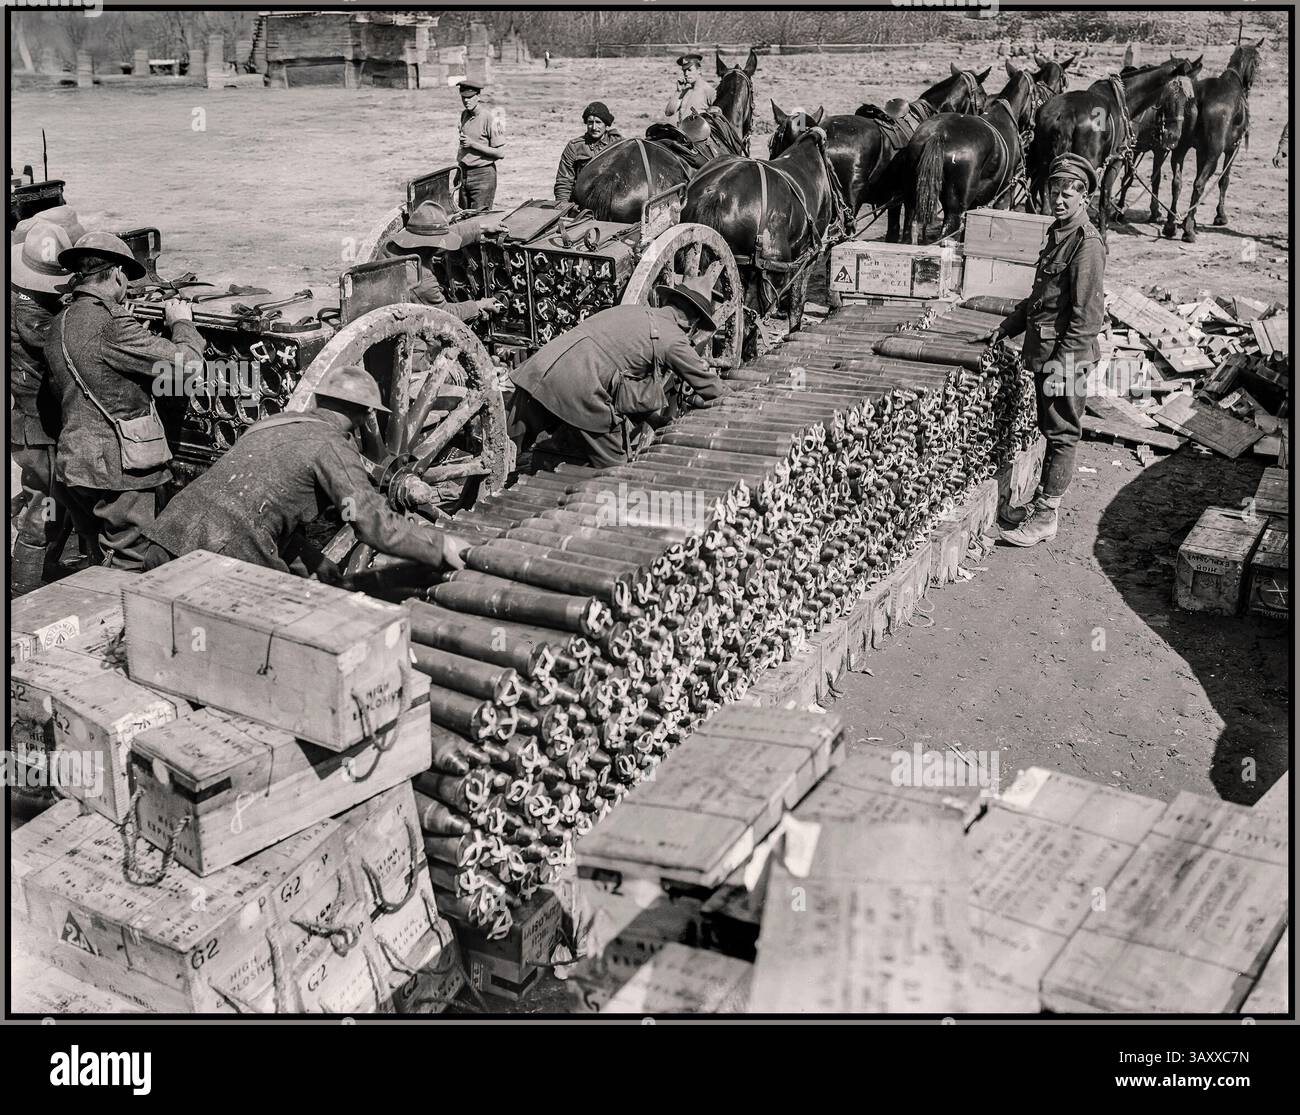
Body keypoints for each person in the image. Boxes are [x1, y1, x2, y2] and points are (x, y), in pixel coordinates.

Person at [140, 364, 471, 579]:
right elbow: (374, 525)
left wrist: (317, 564)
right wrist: (438, 546)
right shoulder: (332, 445)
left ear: (320, 398)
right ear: (365, 415)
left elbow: (260, 510)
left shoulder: (270, 424)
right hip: (219, 561)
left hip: (166, 538)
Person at [43, 231, 205, 571]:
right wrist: (182, 324)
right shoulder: (113, 326)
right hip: (118, 471)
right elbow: (187, 365)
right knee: (131, 561)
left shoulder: (60, 321)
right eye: (126, 281)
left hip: (76, 466)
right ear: (117, 273)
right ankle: (122, 622)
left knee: (97, 552)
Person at [980, 152, 1105, 547]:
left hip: (1064, 358)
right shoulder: (1057, 233)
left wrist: (1061, 366)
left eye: (1069, 193)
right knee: (1049, 429)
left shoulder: (1086, 245)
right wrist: (1007, 326)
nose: (1060, 199)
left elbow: (1087, 318)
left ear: (1085, 197)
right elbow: (1040, 298)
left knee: (1063, 433)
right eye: (1055, 191)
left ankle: (1047, 516)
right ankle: (1038, 506)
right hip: (1045, 351)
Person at [507, 280, 726, 469]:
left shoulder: (631, 311)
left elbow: (622, 379)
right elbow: (712, 389)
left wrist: (655, 420)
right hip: (582, 388)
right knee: (615, 472)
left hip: (539, 370)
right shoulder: (673, 339)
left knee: (502, 450)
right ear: (692, 321)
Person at [9, 217, 92, 593]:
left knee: (49, 503)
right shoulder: (34, 317)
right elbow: (63, 346)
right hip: (39, 432)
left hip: (27, 428)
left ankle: (37, 574)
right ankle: (24, 589)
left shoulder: (17, 298)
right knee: (49, 509)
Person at [385, 201, 504, 323]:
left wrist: (481, 228)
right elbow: (442, 314)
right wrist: (479, 305)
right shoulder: (421, 278)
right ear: (431, 246)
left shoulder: (392, 246)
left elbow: (441, 235)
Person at [554, 102, 621, 203]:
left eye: (598, 122)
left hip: (613, 203)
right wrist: (562, 206)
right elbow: (564, 182)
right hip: (582, 202)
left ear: (606, 124)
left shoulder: (618, 144)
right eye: (590, 122)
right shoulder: (575, 146)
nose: (594, 127)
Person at [456, 79, 504, 212]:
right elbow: (463, 147)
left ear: (478, 96)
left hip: (483, 176)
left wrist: (473, 144)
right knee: (463, 218)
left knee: (480, 222)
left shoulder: (491, 118)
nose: (466, 101)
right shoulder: (464, 115)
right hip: (464, 174)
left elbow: (500, 153)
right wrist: (459, 173)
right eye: (463, 97)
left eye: (470, 97)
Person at [664, 53, 714, 125]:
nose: (686, 74)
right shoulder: (684, 91)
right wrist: (678, 92)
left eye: (689, 70)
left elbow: (718, 117)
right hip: (682, 132)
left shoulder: (709, 91)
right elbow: (668, 112)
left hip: (699, 134)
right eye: (684, 71)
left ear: (699, 70)